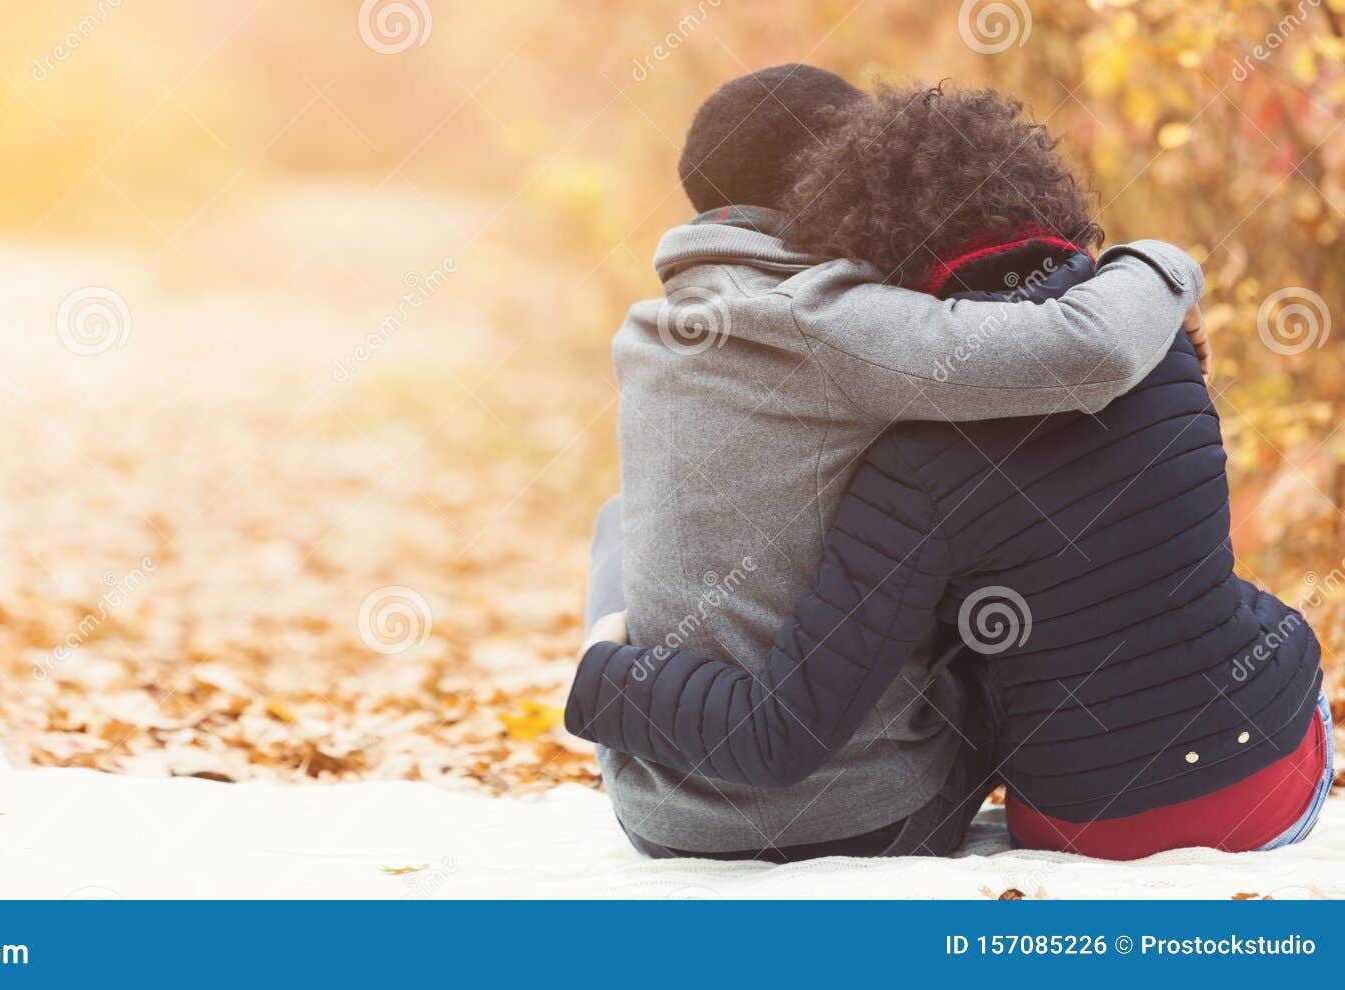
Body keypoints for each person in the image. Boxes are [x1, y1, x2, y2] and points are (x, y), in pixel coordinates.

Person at [570, 84, 1330, 860]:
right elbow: (1088, 348)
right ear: (822, 185)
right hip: (869, 811)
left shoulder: (647, 332)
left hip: (654, 809)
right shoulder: (833, 319)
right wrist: (1165, 265)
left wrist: (609, 660)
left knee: (620, 518)